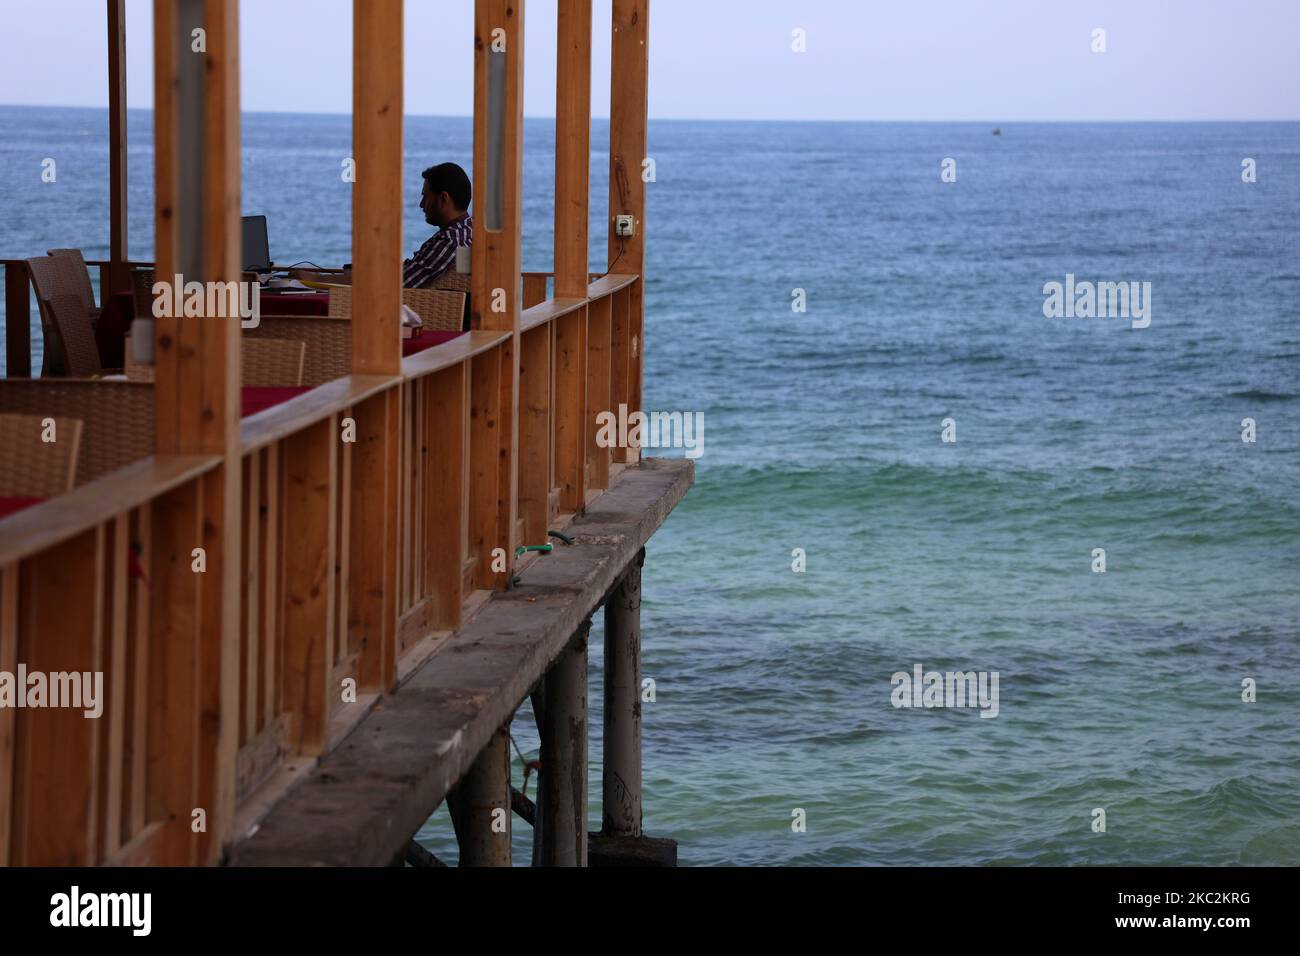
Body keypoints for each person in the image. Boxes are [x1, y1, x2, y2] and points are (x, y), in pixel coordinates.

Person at [403, 162, 473, 289]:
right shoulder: (471, 229)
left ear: (443, 198)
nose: (421, 204)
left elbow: (401, 286)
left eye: (426, 196)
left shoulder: (450, 241)